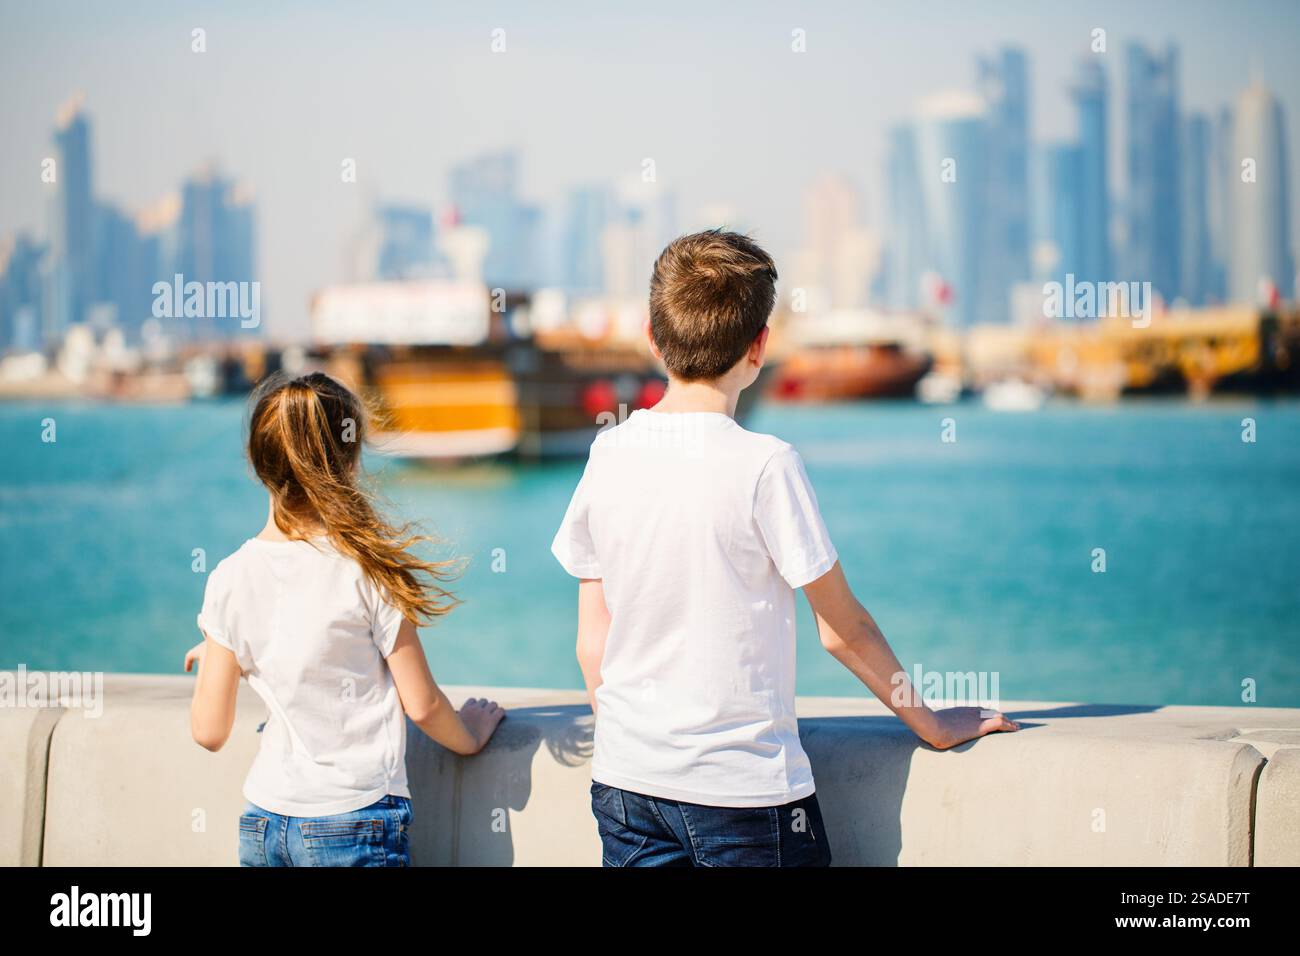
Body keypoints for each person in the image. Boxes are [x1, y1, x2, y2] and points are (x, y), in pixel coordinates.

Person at [552, 230, 1019, 867]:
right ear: (759, 347)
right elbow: (841, 628)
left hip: (627, 787)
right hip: (743, 796)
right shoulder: (766, 465)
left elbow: (592, 640)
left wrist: (632, 744)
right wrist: (932, 724)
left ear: (652, 336)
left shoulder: (607, 455)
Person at [185, 371, 505, 867]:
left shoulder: (229, 576)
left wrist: (220, 653)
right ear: (350, 460)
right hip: (353, 821)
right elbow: (420, 704)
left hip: (264, 824)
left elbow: (210, 730)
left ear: (258, 463)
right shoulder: (367, 570)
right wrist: (470, 736)